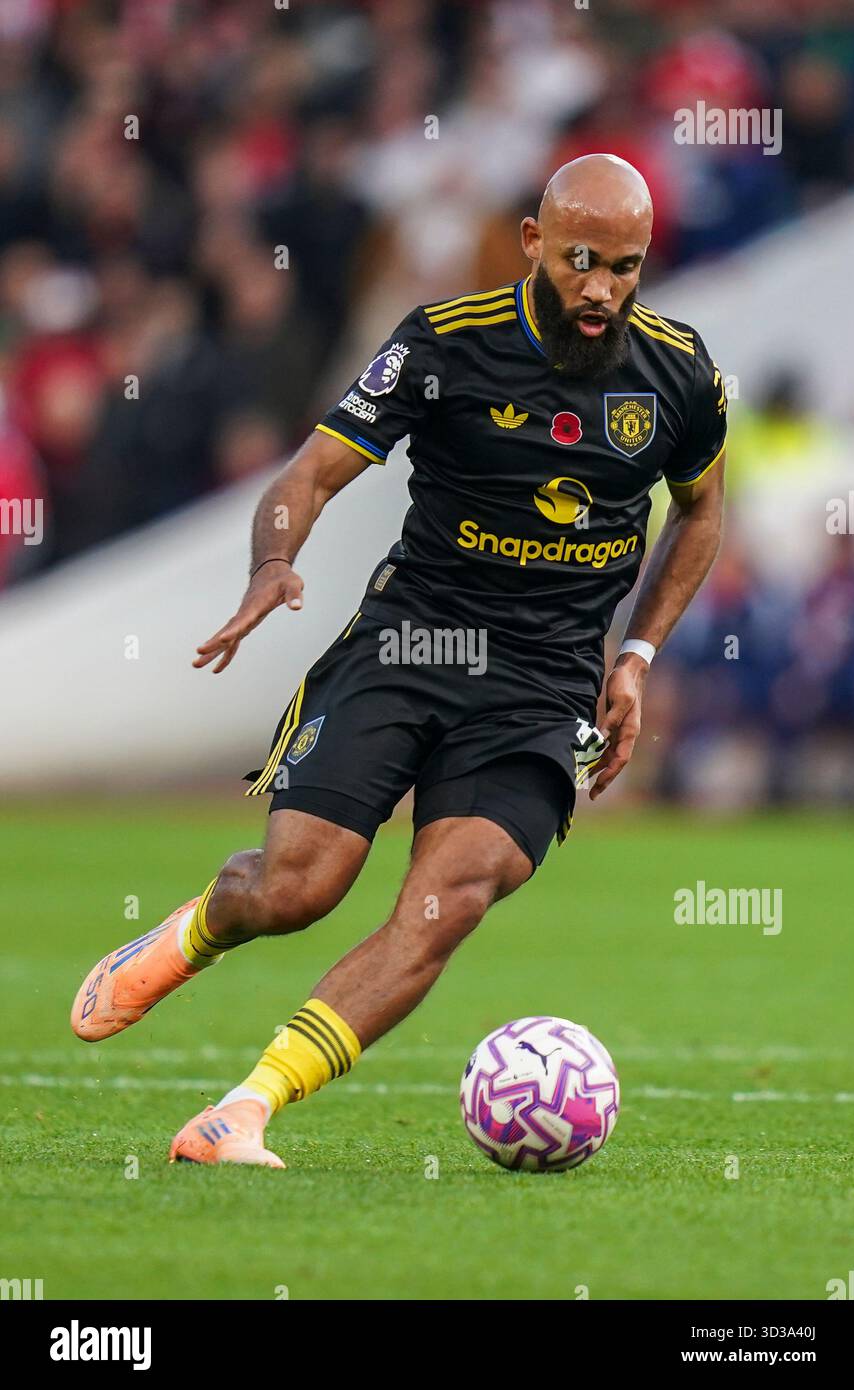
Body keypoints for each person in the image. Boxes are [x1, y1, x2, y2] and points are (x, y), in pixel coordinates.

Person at [71, 155, 726, 1167]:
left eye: (624, 267)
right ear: (532, 243)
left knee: (447, 899)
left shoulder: (679, 373)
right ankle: (197, 930)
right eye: (580, 261)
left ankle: (244, 1108)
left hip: (541, 685)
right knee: (296, 889)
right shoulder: (443, 344)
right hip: (409, 643)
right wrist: (272, 565)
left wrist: (635, 655)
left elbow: (699, 512)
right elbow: (308, 474)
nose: (601, 288)